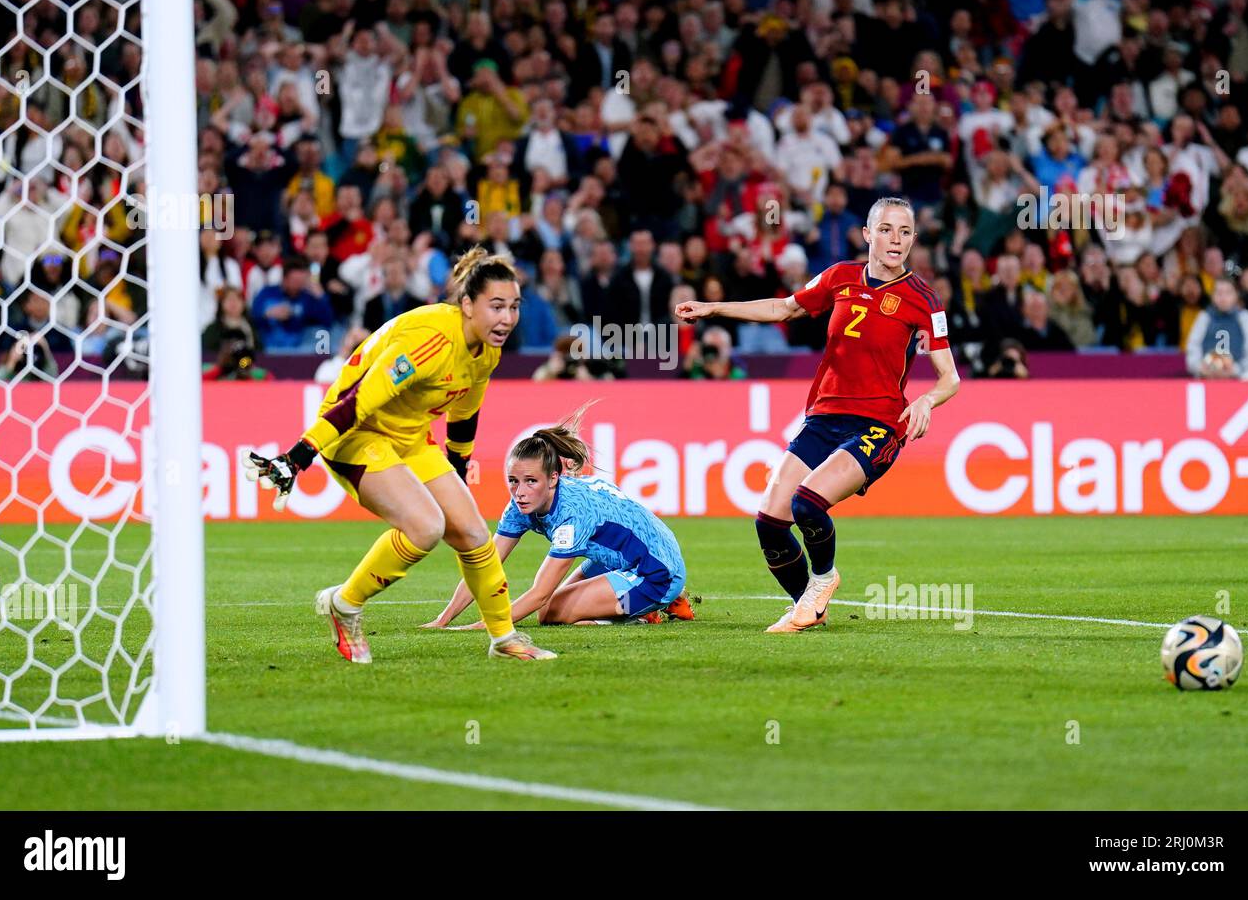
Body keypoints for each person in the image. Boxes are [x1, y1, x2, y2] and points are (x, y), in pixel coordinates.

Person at [243, 248, 557, 662]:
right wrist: (300, 455)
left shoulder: (486, 349)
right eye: (496, 306)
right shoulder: (430, 340)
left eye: (514, 307)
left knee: (474, 533)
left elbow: (465, 409)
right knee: (426, 527)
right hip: (356, 432)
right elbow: (359, 401)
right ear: (467, 304)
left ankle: (504, 640)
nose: (507, 318)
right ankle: (346, 603)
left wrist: (457, 467)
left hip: (409, 436)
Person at [676, 197, 960, 632]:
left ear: (914, 240)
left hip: (880, 425)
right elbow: (784, 307)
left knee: (807, 503)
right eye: (885, 229)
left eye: (904, 232)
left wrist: (924, 401)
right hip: (823, 416)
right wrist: (716, 308)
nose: (895, 240)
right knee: (770, 522)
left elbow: (950, 378)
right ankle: (808, 606)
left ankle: (824, 579)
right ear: (867, 235)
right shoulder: (839, 277)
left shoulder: (922, 298)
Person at [425, 408, 694, 628]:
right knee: (549, 614)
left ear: (553, 478)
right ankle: (642, 603)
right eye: (513, 481)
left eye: (531, 481)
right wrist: (443, 619)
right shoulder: (521, 505)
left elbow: (539, 593)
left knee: (553, 612)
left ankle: (646, 607)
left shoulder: (572, 513)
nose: (520, 492)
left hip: (656, 570)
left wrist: (483, 626)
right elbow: (486, 565)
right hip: (625, 558)